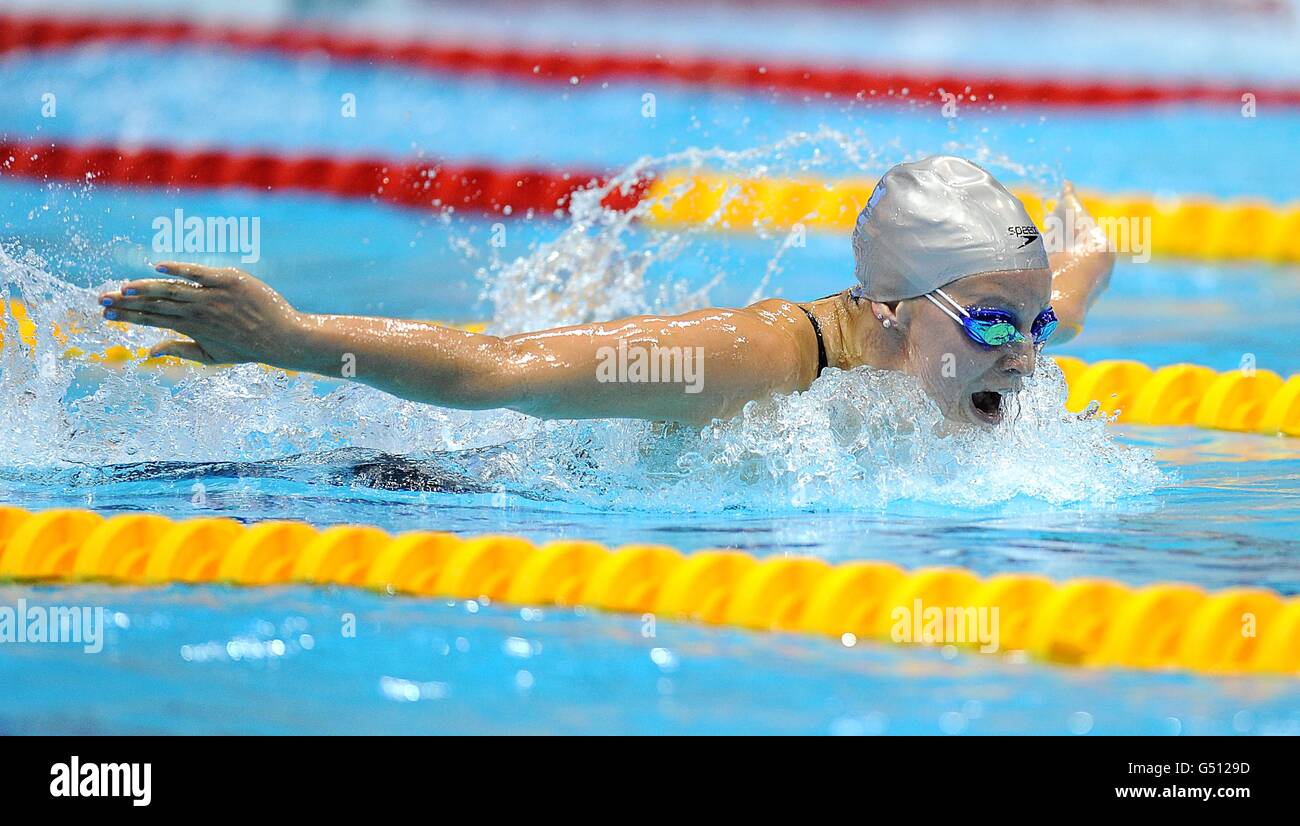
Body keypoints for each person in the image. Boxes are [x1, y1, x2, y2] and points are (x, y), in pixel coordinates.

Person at [98, 156, 1113, 427]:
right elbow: (496, 373)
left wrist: (1088, 254)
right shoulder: (762, 360)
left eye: (1030, 326)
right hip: (462, 470)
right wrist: (291, 337)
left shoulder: (972, 334)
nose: (1027, 354)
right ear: (888, 311)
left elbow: (1058, 294)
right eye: (994, 325)